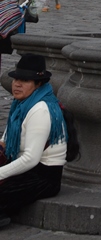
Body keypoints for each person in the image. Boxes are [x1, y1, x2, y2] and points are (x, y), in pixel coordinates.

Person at [0, 54, 68, 223]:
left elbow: (31, 159)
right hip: (24, 168)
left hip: (43, 177)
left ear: (38, 84)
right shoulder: (20, 104)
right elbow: (5, 140)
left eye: (25, 81)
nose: (17, 84)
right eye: (16, 80)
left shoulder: (41, 109)